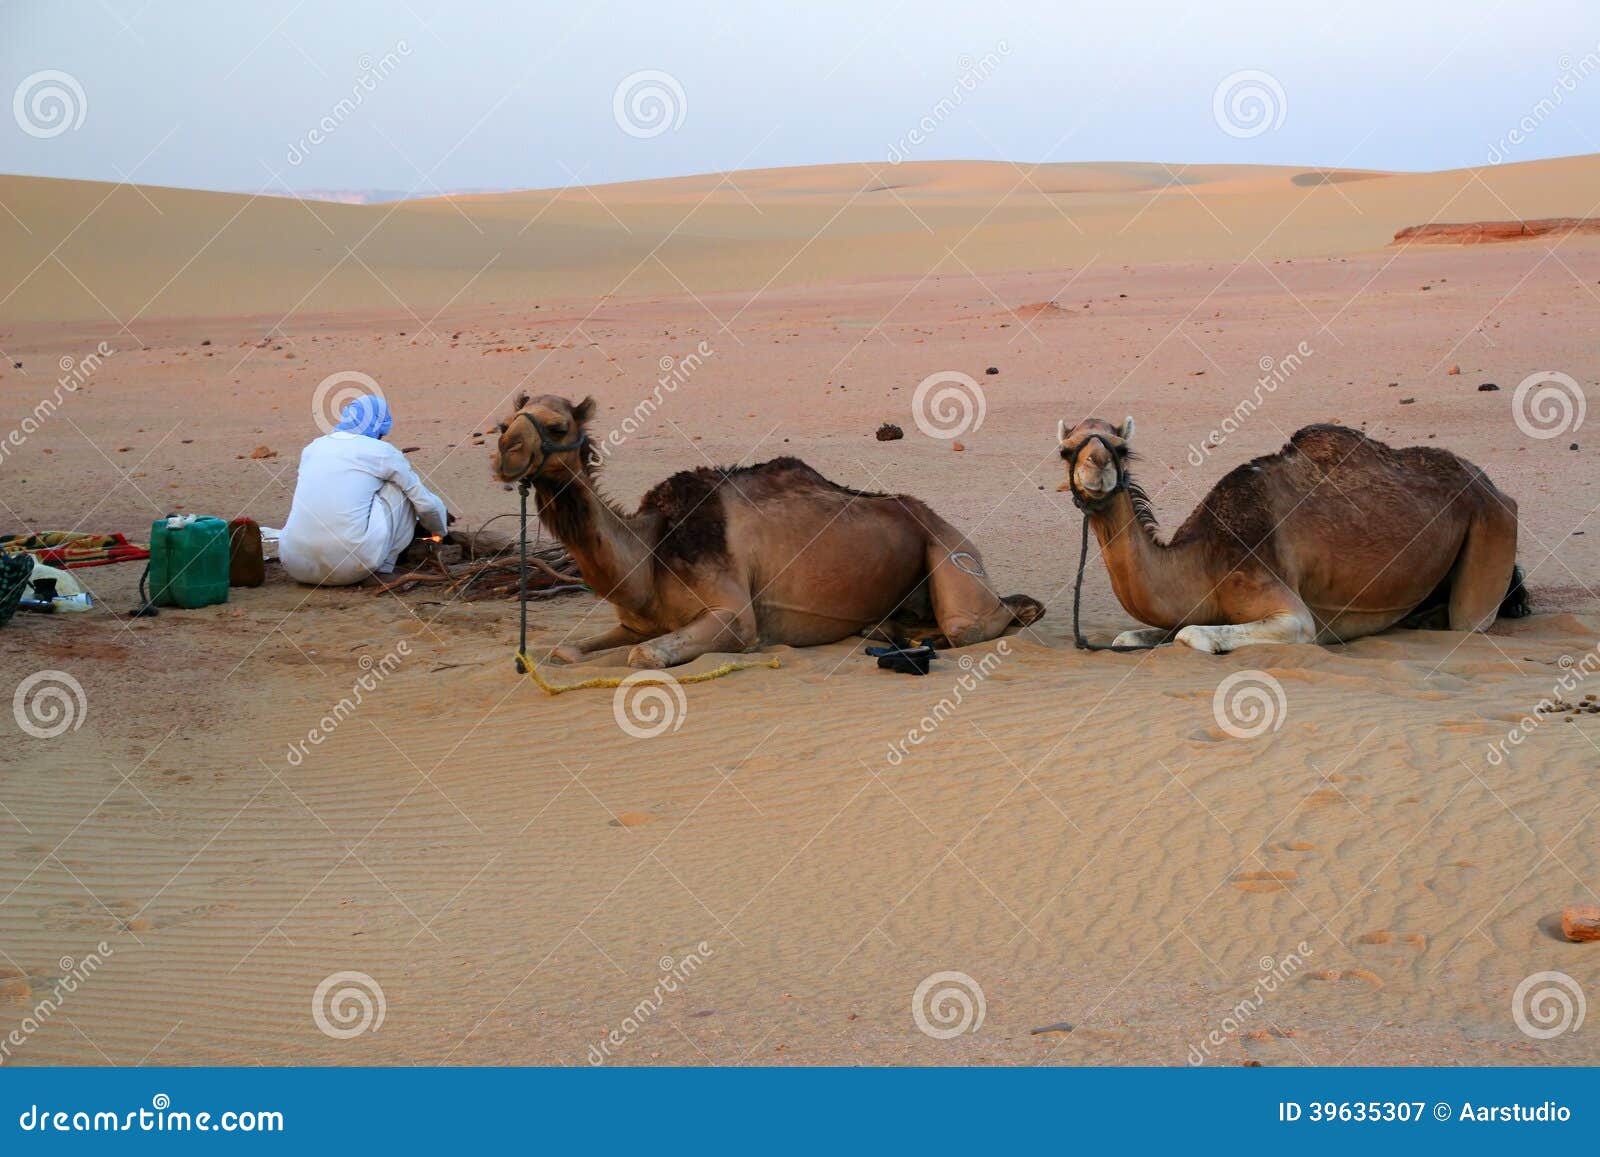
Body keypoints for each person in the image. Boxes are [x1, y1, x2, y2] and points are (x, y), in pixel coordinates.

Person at [279, 395, 449, 586]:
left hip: (295, 564)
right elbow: (426, 504)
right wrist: (440, 531)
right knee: (400, 490)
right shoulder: (382, 451)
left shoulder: (313, 448)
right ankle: (384, 569)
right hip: (353, 565)